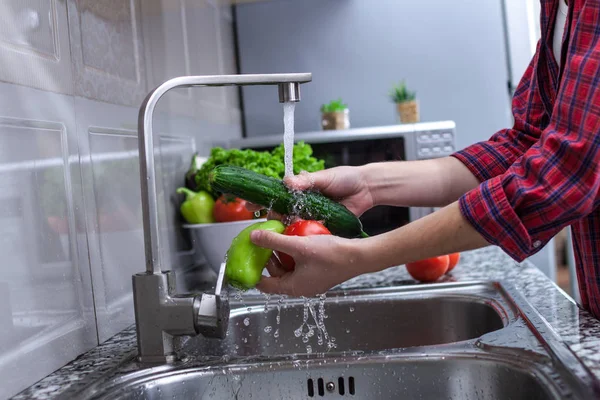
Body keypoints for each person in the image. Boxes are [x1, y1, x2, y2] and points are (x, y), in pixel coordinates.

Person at [248, 0, 600, 320]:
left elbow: (564, 175)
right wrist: (369, 184)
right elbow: (524, 145)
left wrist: (360, 256)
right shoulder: (558, 9)